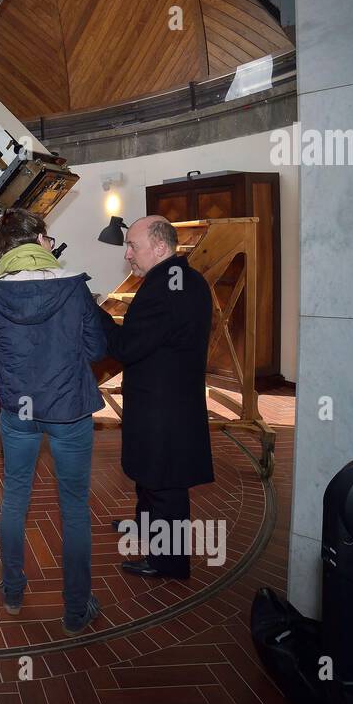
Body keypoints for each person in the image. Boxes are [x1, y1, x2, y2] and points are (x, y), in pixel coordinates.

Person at [0, 208, 108, 636]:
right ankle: (75, 610)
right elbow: (95, 349)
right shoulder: (73, 288)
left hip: (20, 410)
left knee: (15, 499)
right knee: (73, 509)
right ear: (39, 239)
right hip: (70, 408)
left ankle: (13, 592)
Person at [96, 215, 213, 579]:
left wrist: (93, 311)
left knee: (163, 483)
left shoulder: (163, 289)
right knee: (152, 475)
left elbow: (126, 346)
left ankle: (168, 561)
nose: (128, 254)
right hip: (170, 401)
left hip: (163, 407)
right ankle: (147, 529)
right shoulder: (184, 278)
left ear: (160, 247)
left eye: (133, 246)